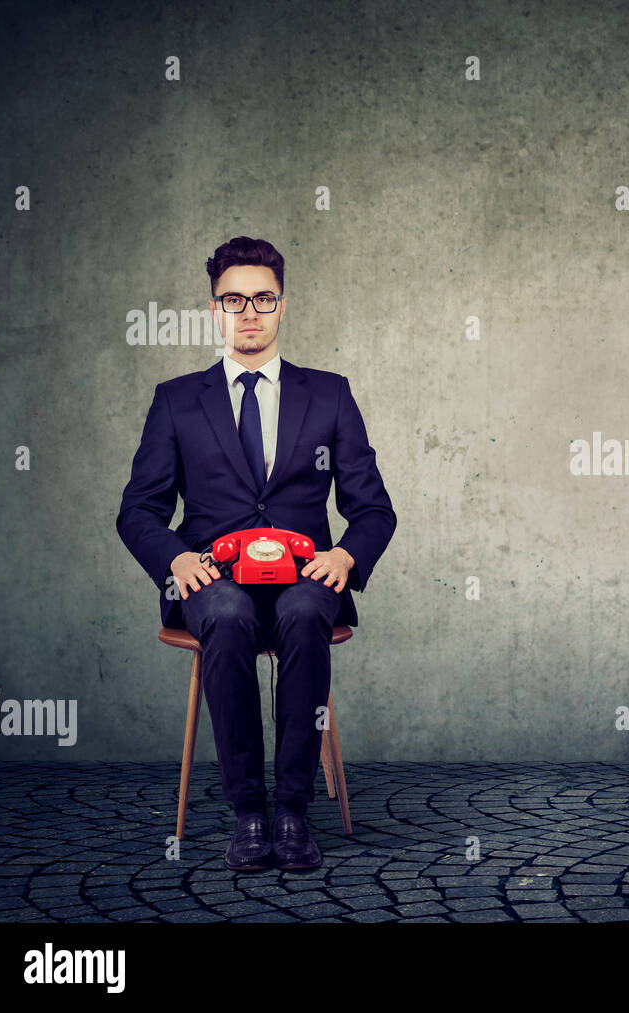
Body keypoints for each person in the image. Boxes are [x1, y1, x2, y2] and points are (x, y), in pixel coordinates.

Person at [116, 236, 396, 870]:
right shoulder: (176, 399)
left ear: (282, 306)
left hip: (305, 577)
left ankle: (293, 813)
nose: (249, 311)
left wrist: (347, 557)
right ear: (215, 309)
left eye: (262, 298)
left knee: (304, 612)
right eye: (233, 299)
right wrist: (174, 560)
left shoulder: (328, 394)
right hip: (211, 580)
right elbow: (138, 510)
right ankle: (248, 814)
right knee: (228, 614)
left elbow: (374, 508)